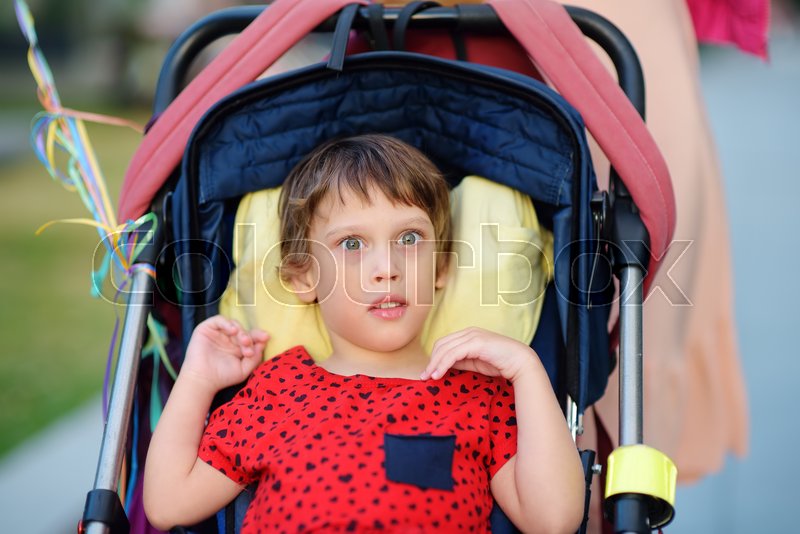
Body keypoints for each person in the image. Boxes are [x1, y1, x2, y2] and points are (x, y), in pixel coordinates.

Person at [143, 134, 585, 533]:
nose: (387, 269)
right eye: (352, 244)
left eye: (409, 238)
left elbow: (555, 520)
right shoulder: (278, 389)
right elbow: (168, 504)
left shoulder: (477, 396)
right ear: (303, 278)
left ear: (442, 267)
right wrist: (198, 378)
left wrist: (527, 370)